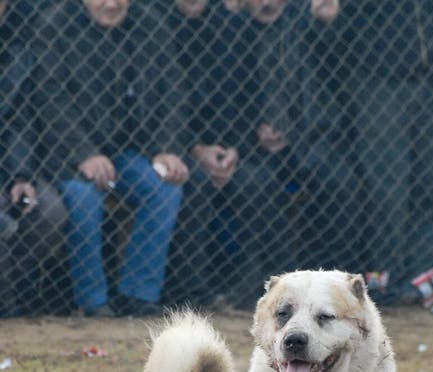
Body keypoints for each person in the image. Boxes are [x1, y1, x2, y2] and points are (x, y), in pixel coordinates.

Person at [33, 0, 189, 317]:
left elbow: (174, 90)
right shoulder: (54, 26)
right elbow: (48, 97)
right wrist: (83, 153)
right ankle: (93, 302)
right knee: (82, 198)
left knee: (163, 190)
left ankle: (137, 294)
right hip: (68, 154)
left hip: (131, 151)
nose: (112, 4)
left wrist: (168, 146)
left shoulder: (151, 25)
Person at [329, 1, 433, 307]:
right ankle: (385, 282)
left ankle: (420, 280)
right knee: (387, 190)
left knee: (432, 185)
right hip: (378, 80)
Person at [164, 0, 296, 308]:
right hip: (179, 148)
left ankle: (269, 288)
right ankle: (192, 294)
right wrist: (195, 149)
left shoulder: (232, 27)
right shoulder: (157, 25)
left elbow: (247, 98)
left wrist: (234, 150)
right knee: (193, 185)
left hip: (232, 146)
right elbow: (165, 105)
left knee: (258, 182)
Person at [247, 0, 365, 273]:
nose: (267, 3)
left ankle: (334, 278)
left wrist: (325, 22)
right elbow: (226, 97)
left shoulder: (306, 26)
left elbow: (334, 74)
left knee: (342, 185)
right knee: (258, 185)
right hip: (251, 144)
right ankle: (282, 278)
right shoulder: (233, 29)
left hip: (310, 141)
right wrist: (254, 131)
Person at [0, 0, 67, 317]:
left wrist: (21, 176)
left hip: (7, 170)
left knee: (47, 210)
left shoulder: (16, 53)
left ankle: (17, 297)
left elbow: (20, 122)